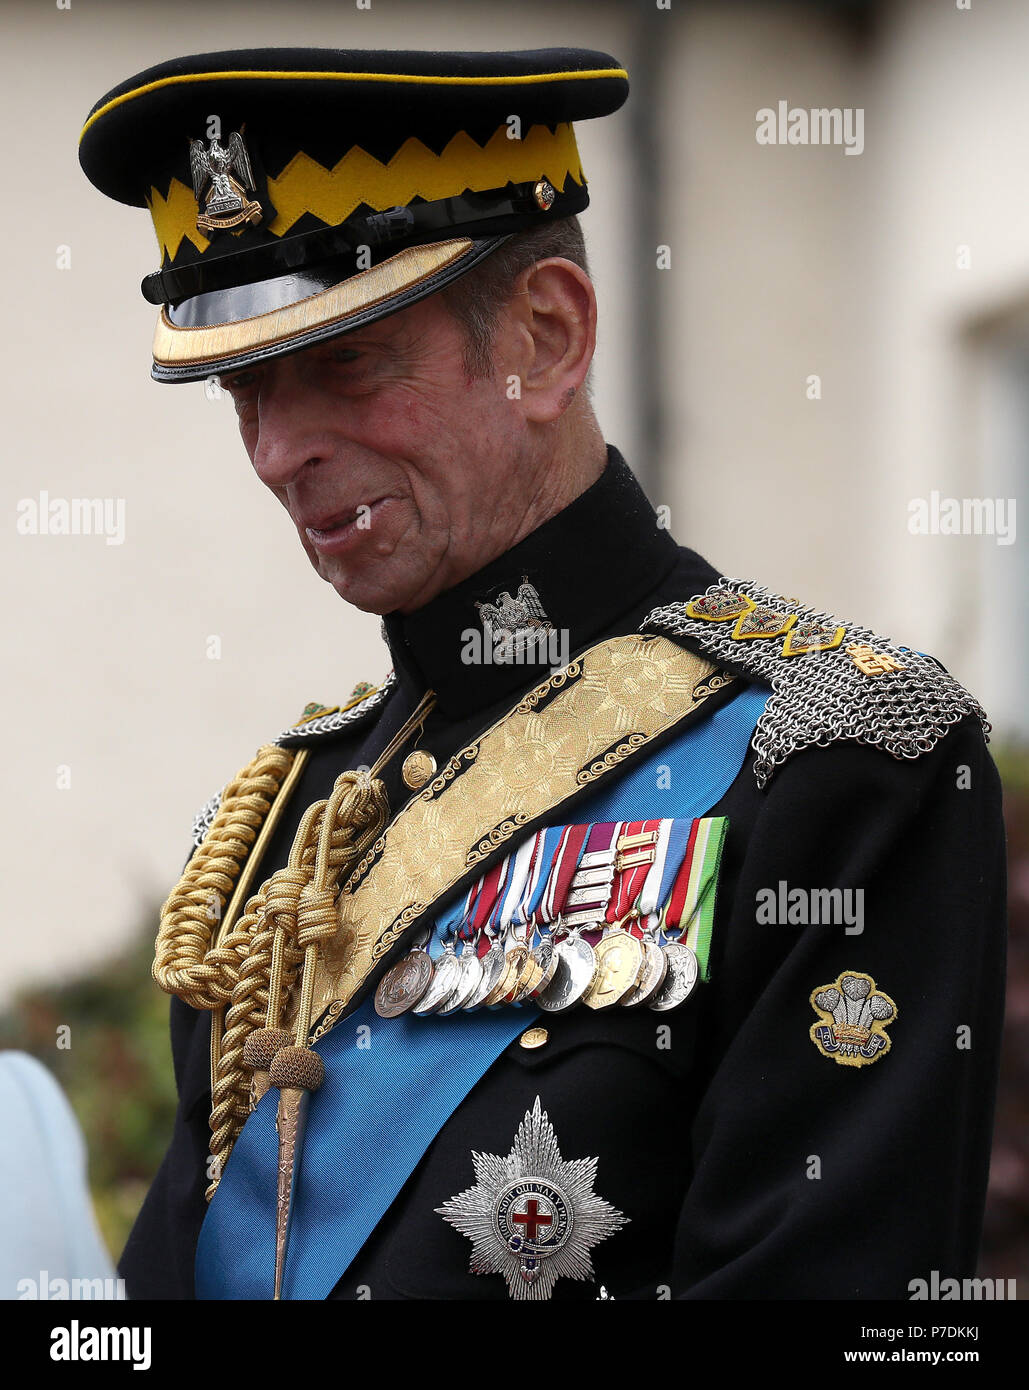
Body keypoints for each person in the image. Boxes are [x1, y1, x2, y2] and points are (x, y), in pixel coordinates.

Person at [79, 46, 1006, 1302]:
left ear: (546, 337)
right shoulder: (282, 826)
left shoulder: (837, 758)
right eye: (246, 386)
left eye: (347, 363)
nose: (281, 449)